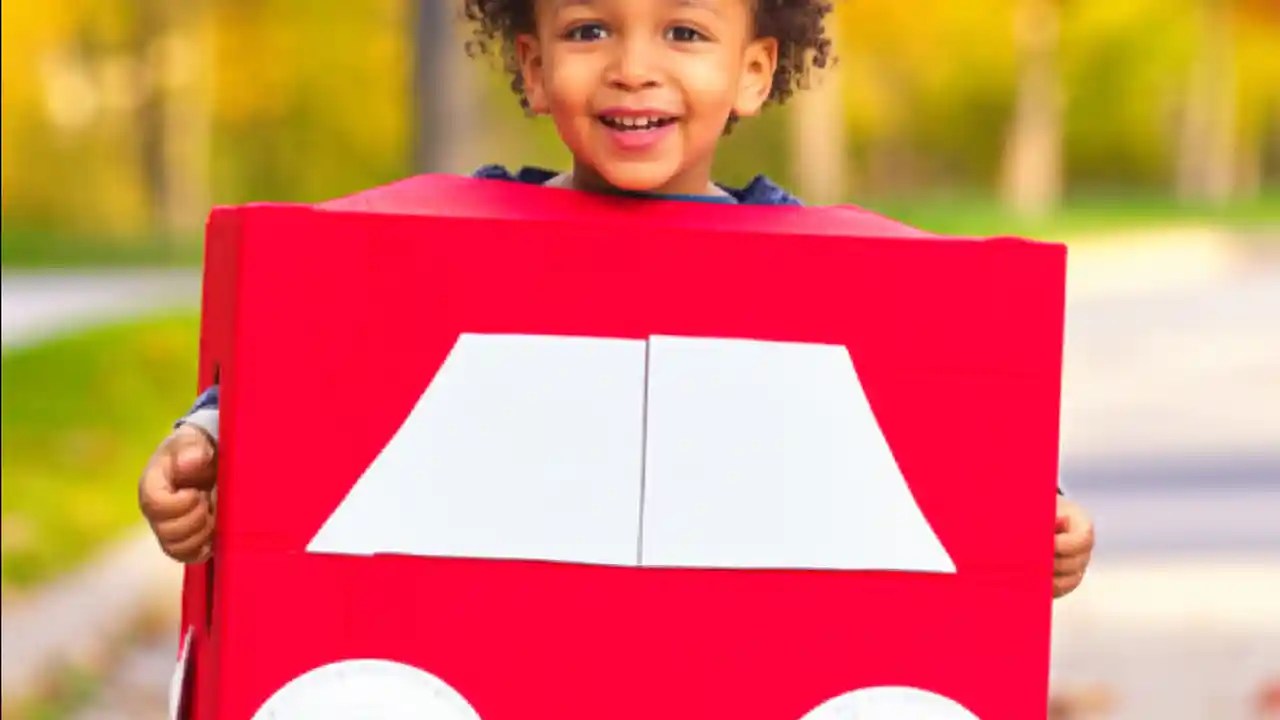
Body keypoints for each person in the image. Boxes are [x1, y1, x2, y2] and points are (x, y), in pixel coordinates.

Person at [136, 0, 1094, 598]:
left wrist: (1030, 515)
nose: (633, 66)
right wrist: (208, 441)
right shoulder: (446, 251)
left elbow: (934, 410)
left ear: (753, 71)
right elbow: (325, 355)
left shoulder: (819, 277)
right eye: (590, 31)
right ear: (532, 66)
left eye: (683, 32)